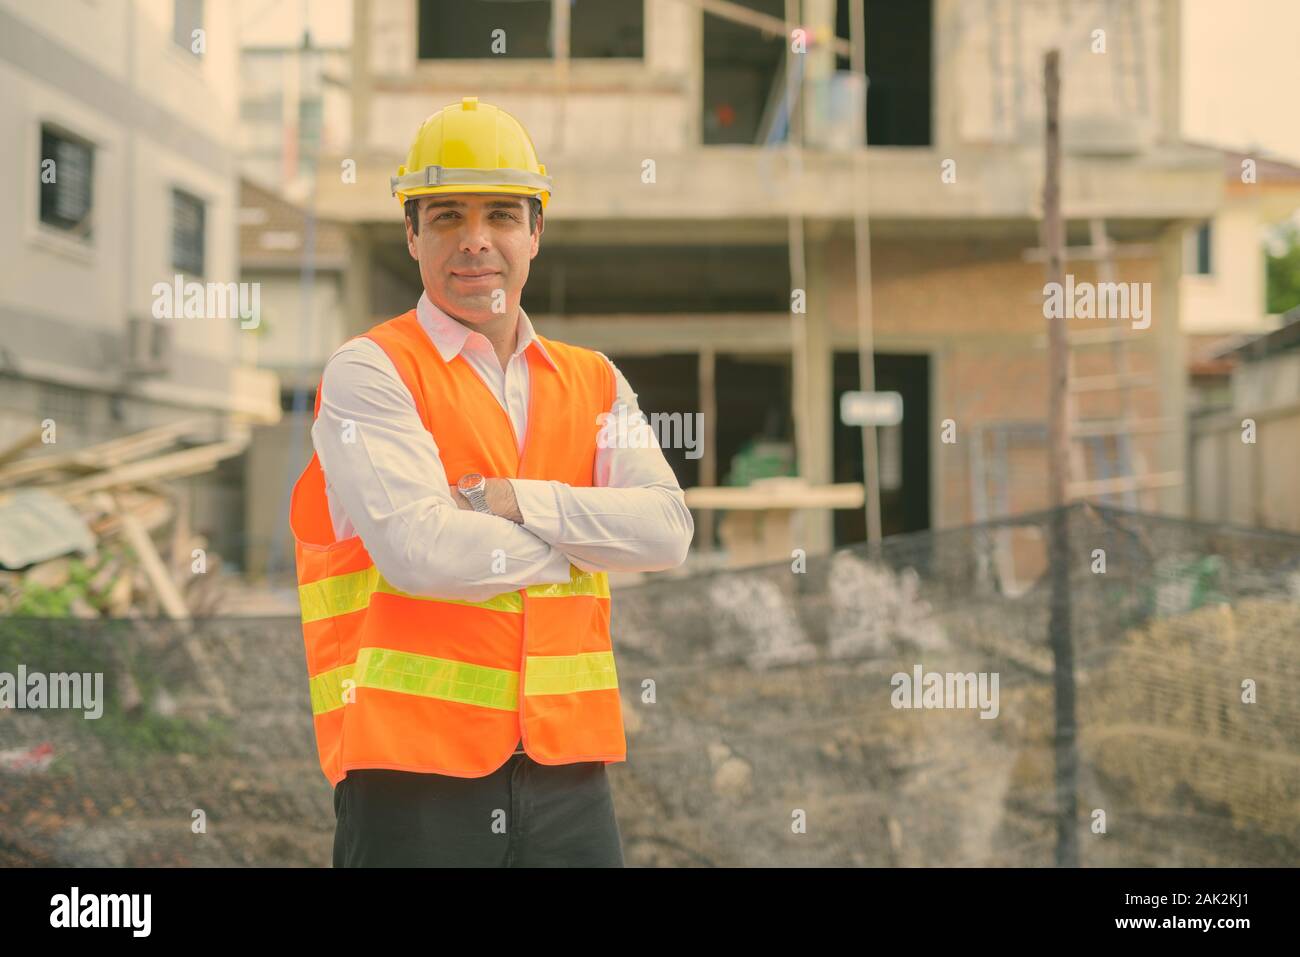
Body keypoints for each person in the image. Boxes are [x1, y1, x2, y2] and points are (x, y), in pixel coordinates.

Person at [288, 97, 694, 867]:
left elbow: (667, 532)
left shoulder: (594, 379)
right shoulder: (370, 372)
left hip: (570, 773)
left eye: (502, 214)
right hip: (411, 782)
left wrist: (516, 502)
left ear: (535, 231)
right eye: (445, 216)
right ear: (411, 234)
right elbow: (420, 552)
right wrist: (587, 539)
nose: (476, 241)